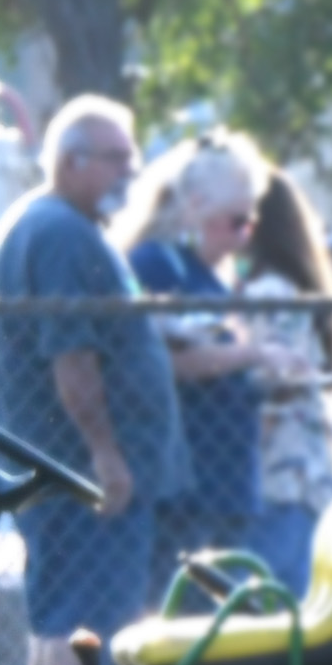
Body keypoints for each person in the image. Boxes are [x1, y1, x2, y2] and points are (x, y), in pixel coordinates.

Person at [0, 95, 169, 665]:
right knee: (82, 609)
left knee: (57, 604)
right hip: (73, 466)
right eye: (115, 157)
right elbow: (74, 360)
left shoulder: (47, 223)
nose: (128, 170)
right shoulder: (60, 233)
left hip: (50, 460)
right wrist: (106, 456)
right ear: (70, 160)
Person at [120, 131, 274, 597]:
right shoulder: (157, 264)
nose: (244, 235)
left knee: (229, 606)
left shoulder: (210, 275)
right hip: (188, 480)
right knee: (181, 606)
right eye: (235, 221)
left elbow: (218, 357)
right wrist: (254, 354)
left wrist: (268, 374)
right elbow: (166, 362)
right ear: (196, 207)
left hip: (227, 475)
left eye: (251, 222)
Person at [237, 166, 332, 593]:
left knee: (269, 601)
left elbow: (273, 380)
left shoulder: (268, 292)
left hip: (279, 477)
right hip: (308, 474)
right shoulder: (295, 287)